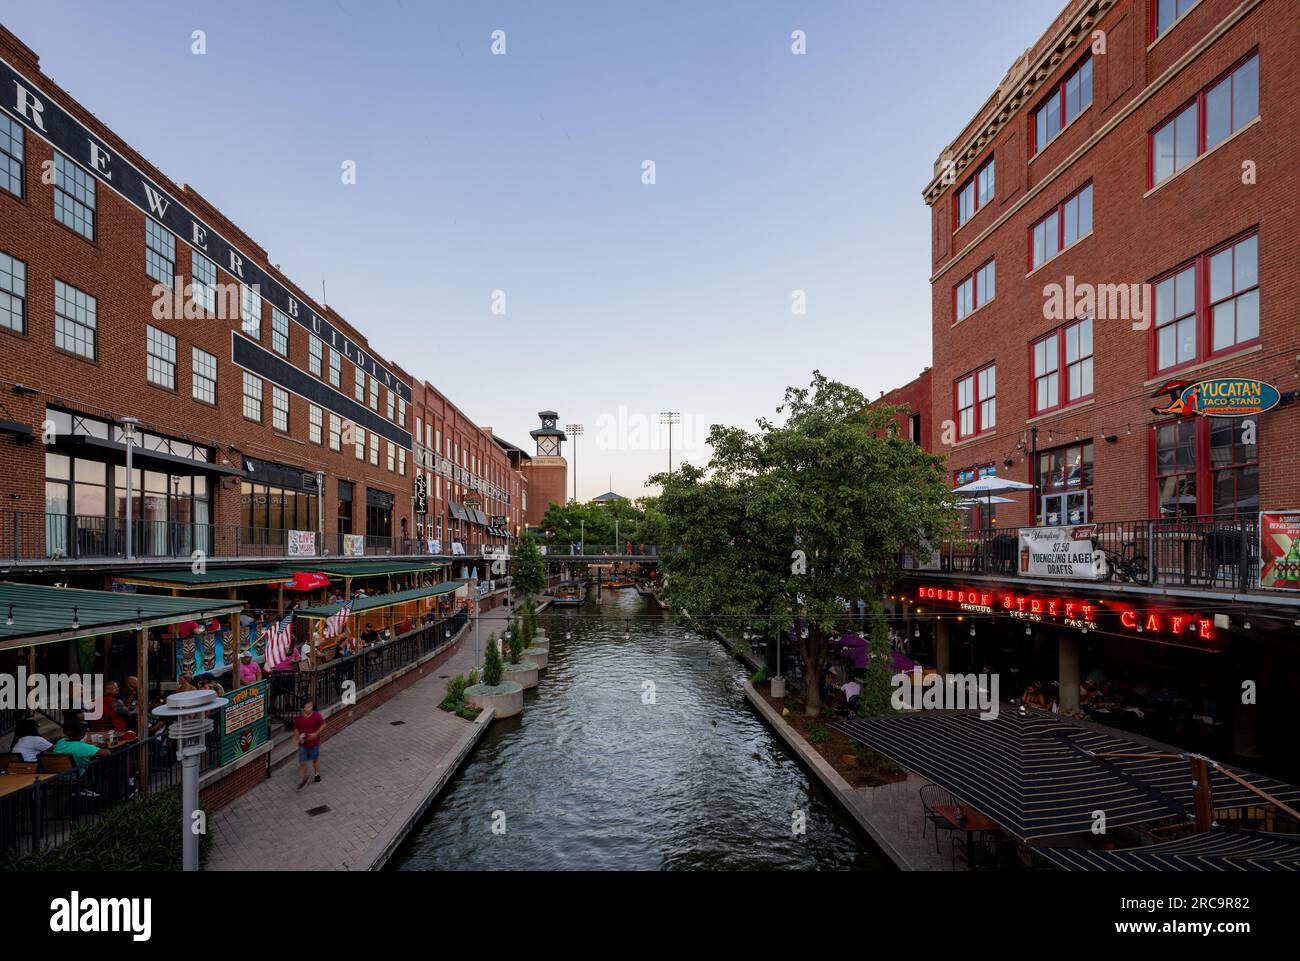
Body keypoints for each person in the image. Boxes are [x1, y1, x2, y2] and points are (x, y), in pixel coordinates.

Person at [293, 699, 326, 788]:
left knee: (315, 759)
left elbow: (323, 725)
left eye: (311, 706)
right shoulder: (299, 719)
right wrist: (298, 737)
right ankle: (303, 778)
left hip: (314, 742)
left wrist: (316, 733)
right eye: (308, 706)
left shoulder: (317, 716)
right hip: (303, 744)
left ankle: (317, 773)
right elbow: (296, 729)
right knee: (302, 761)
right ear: (303, 708)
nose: (310, 708)